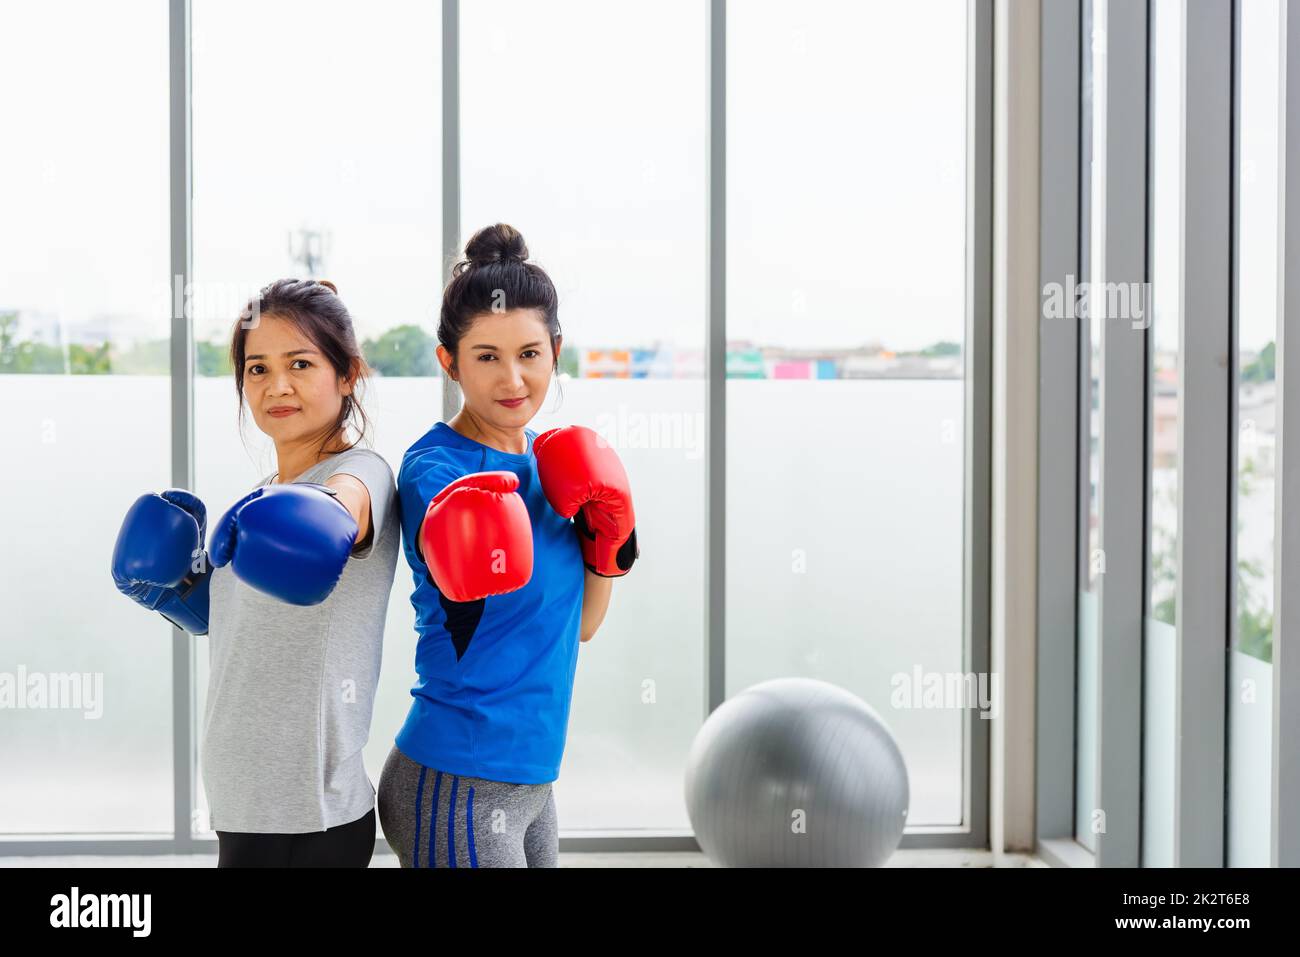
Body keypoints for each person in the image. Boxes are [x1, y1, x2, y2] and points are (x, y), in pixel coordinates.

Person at [111, 278, 399, 867]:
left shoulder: (361, 473)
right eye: (257, 369)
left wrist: (320, 510)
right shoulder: (263, 497)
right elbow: (246, 632)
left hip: (307, 812)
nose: (277, 386)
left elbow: (339, 514)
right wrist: (180, 591)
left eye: (300, 363)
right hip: (243, 800)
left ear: (346, 375)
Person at [378, 223, 639, 868]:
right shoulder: (434, 469)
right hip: (455, 775)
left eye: (529, 353)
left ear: (555, 351)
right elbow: (476, 576)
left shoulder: (562, 471)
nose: (513, 378)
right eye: (486, 356)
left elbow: (580, 627)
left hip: (533, 777)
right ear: (450, 361)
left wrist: (609, 545)